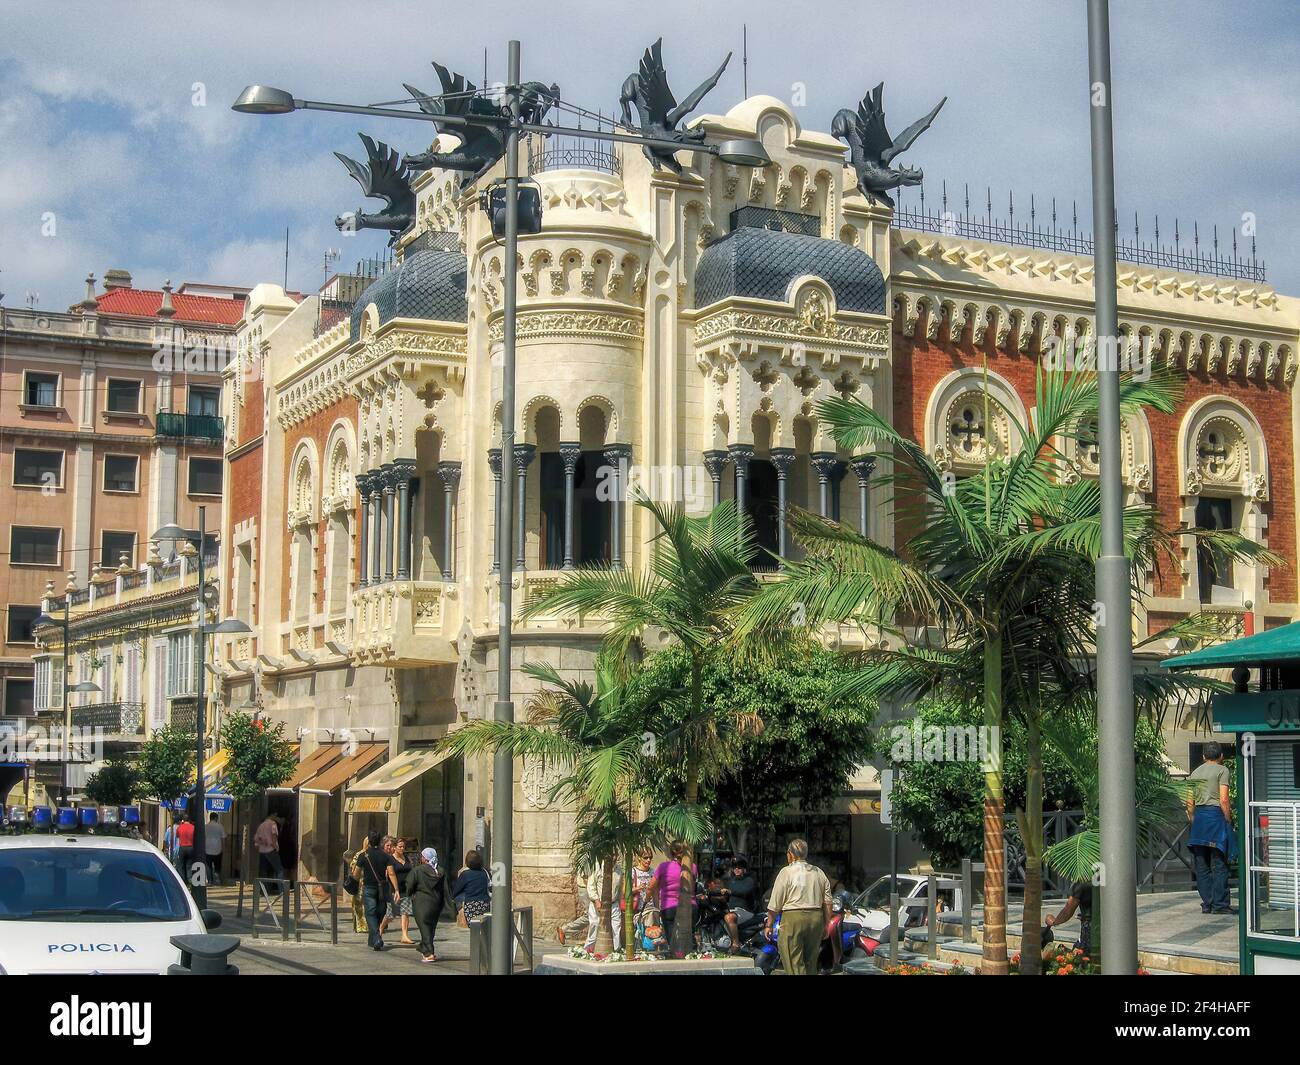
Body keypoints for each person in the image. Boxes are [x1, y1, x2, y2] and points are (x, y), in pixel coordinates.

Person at [765, 838, 832, 976]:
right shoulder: (819, 872)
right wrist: (826, 924)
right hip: (816, 918)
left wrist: (769, 924)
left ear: (791, 854)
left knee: (793, 959)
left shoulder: (786, 872)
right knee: (811, 961)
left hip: (793, 918)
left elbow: (775, 903)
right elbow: (828, 902)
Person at [1186, 742, 1237, 914]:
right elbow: (1223, 799)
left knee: (1201, 864)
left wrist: (1193, 818)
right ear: (1221, 756)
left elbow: (1189, 802)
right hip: (1215, 818)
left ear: (1203, 757)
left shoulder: (1195, 773)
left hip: (1199, 819)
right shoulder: (1223, 771)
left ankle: (1207, 902)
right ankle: (1220, 904)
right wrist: (1228, 819)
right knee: (1219, 862)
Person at [649, 841, 698, 955]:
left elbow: (651, 887)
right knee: (688, 938)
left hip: (669, 907)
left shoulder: (663, 867)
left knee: (673, 940)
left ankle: (677, 957)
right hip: (690, 906)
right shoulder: (693, 867)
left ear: (671, 853)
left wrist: (651, 900)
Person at [354, 830, 401, 950]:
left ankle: (376, 938)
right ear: (380, 841)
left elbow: (356, 874)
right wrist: (396, 890)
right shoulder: (385, 855)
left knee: (370, 913)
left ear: (369, 841)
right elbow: (391, 873)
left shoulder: (363, 855)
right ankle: (373, 939)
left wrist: (353, 883)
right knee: (380, 912)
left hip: (369, 887)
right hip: (383, 888)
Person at [407, 847, 446, 963]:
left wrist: (410, 894)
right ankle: (424, 947)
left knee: (424, 927)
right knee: (431, 927)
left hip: (421, 902)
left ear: (425, 858)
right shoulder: (440, 871)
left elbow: (409, 884)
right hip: (436, 903)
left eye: (422, 857)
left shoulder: (417, 870)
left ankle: (429, 953)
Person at [721, 854, 758, 955]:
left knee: (729, 917)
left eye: (740, 867)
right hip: (733, 910)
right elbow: (727, 897)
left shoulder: (749, 880)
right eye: (735, 867)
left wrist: (730, 891)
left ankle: (736, 944)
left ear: (745, 868)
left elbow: (744, 892)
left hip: (745, 911)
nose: (737, 869)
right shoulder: (730, 881)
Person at [584, 861, 625, 951]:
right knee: (594, 925)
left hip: (613, 904)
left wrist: (620, 901)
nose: (613, 857)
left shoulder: (618, 869)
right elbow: (591, 885)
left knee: (616, 927)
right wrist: (596, 900)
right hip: (598, 903)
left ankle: (616, 950)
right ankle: (588, 949)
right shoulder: (597, 867)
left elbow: (620, 888)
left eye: (615, 854)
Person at [1045, 881, 1093, 955]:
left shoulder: (1083, 880)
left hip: (1090, 931)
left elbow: (1067, 911)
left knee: (1078, 956)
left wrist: (1054, 921)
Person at [385, 837, 416, 945]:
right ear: (394, 847)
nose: (402, 848)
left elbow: (411, 871)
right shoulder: (390, 859)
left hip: (405, 889)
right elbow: (390, 874)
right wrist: (396, 889)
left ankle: (404, 935)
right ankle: (380, 929)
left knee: (405, 912)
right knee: (390, 914)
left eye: (403, 847)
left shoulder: (407, 858)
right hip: (394, 889)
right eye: (400, 847)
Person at [451, 850, 492, 923]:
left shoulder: (465, 874)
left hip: (471, 905)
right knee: (483, 926)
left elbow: (456, 891)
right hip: (485, 903)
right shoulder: (485, 872)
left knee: (473, 926)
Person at [556, 864, 592, 946]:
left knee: (593, 915)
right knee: (591, 915)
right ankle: (565, 930)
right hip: (586, 888)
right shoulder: (589, 856)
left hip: (589, 888)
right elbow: (586, 876)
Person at [254, 813, 285, 893]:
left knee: (264, 871)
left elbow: (256, 839)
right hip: (271, 850)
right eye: (275, 815)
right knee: (279, 869)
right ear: (273, 815)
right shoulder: (272, 824)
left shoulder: (261, 825)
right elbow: (274, 836)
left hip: (262, 851)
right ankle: (282, 890)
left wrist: (264, 842)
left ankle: (263, 891)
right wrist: (275, 846)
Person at [204, 813, 225, 886]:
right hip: (218, 849)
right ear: (216, 818)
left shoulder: (205, 827)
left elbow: (203, 838)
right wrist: (224, 848)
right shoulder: (220, 826)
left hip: (207, 849)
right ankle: (217, 880)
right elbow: (223, 838)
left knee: (208, 866)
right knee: (217, 866)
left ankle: (210, 881)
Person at [175, 814, 196, 883]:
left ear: (183, 820)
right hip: (190, 847)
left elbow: (177, 836)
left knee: (181, 865)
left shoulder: (180, 827)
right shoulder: (193, 827)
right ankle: (189, 879)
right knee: (189, 865)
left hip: (182, 847)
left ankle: (183, 880)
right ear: (189, 820)